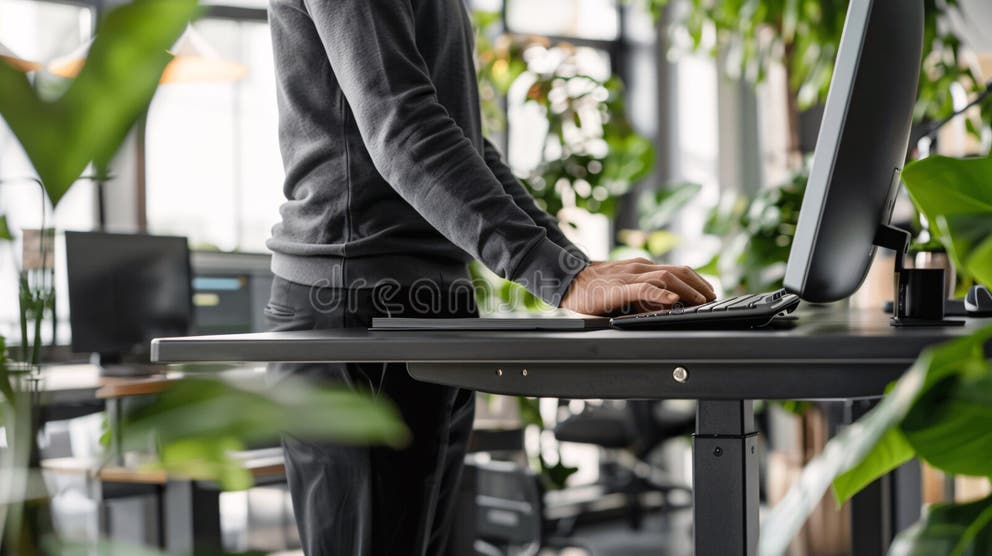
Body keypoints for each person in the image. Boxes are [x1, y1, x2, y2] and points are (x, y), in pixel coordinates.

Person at [265, 0, 717, 554]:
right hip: (354, 302)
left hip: (426, 304)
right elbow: (401, 126)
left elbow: (461, 138)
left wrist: (573, 265)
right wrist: (562, 275)